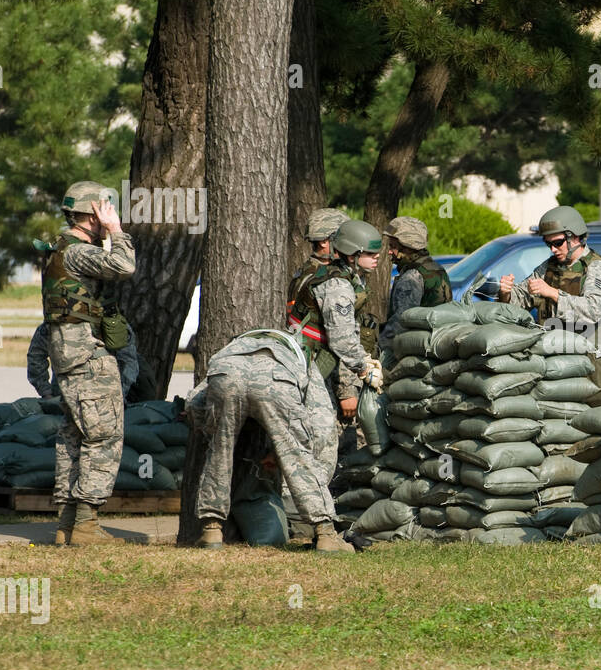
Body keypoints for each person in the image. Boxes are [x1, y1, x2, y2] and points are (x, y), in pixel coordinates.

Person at [185, 329, 356, 553]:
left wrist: (214, 429)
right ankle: (325, 534)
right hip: (277, 378)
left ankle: (211, 530)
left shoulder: (235, 349)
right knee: (297, 453)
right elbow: (322, 431)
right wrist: (288, 452)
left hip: (225, 374)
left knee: (219, 451)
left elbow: (193, 404)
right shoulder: (305, 361)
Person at [42, 181, 136, 546]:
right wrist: (116, 231)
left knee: (73, 436)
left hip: (67, 356)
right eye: (105, 210)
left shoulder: (58, 248)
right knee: (104, 435)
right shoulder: (78, 251)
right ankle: (86, 523)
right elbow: (124, 265)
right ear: (93, 213)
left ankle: (67, 522)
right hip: (88, 357)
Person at [286, 218, 386, 484]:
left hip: (315, 366)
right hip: (308, 367)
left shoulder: (344, 278)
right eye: (370, 253)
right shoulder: (338, 286)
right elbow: (342, 339)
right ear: (353, 254)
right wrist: (364, 369)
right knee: (323, 442)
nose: (377, 257)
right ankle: (304, 511)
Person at [498, 205, 601, 406]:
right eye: (549, 244)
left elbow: (592, 311)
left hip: (594, 359)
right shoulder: (547, 268)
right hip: (554, 357)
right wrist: (505, 293)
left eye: (557, 243)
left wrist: (553, 293)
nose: (553, 249)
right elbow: (521, 300)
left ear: (575, 237)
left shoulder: (598, 269)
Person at [377, 215, 452, 372]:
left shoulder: (412, 277)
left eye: (393, 246)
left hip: (416, 353)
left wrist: (378, 352)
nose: (389, 252)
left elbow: (399, 323)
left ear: (408, 246)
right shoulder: (436, 268)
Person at [28, 321, 141, 401]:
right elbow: (129, 362)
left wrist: (46, 394)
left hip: (65, 397)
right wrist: (121, 393)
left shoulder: (56, 323)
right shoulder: (113, 323)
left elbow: (35, 358)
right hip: (106, 398)